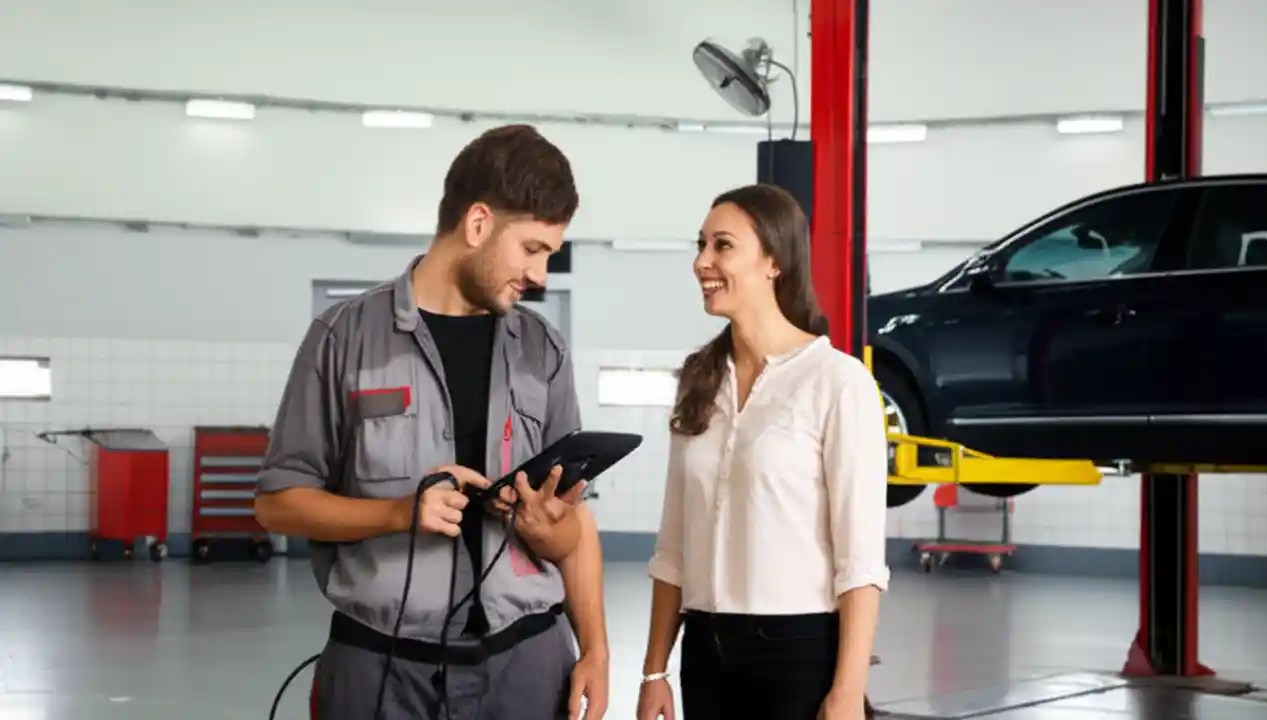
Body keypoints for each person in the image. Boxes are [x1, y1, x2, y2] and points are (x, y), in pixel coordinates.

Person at [254, 124, 609, 720]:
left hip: (526, 664)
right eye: (532, 249)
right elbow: (279, 503)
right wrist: (398, 514)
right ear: (477, 225)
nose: (542, 276)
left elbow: (576, 518)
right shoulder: (344, 339)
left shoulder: (542, 350)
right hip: (382, 669)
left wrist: (595, 648)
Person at [635, 184, 889, 720]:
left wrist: (847, 692)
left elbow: (860, 560)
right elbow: (674, 543)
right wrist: (654, 669)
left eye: (722, 245)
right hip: (705, 651)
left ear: (773, 260)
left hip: (798, 652)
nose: (702, 262)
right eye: (700, 245)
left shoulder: (837, 381)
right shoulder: (700, 381)